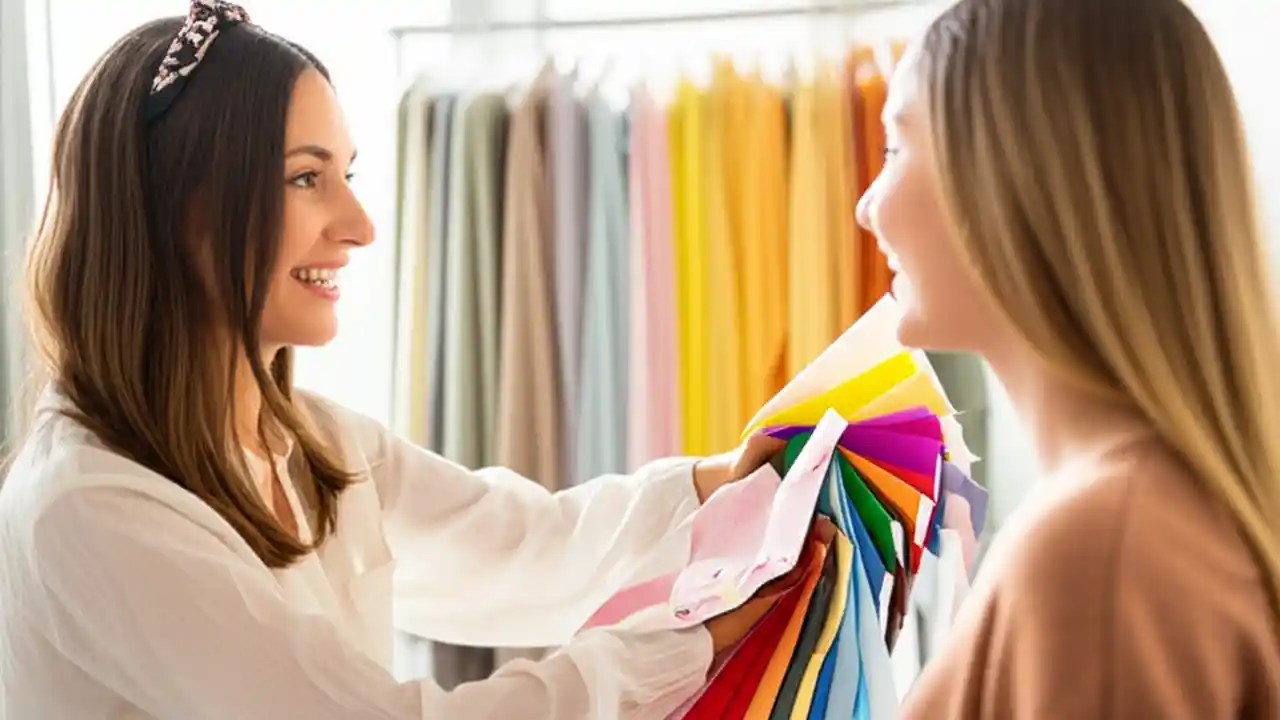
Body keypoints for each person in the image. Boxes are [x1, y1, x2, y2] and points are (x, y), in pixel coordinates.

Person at [0, 3, 780, 718]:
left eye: (346, 174)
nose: (360, 225)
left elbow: (525, 549)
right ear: (174, 206)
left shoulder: (312, 443)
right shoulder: (90, 509)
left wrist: (720, 483)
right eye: (307, 178)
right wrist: (678, 652)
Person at [858, 0, 1280, 716]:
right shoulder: (1145, 523)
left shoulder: (1105, 549)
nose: (868, 207)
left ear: (1011, 175)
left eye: (897, 149)